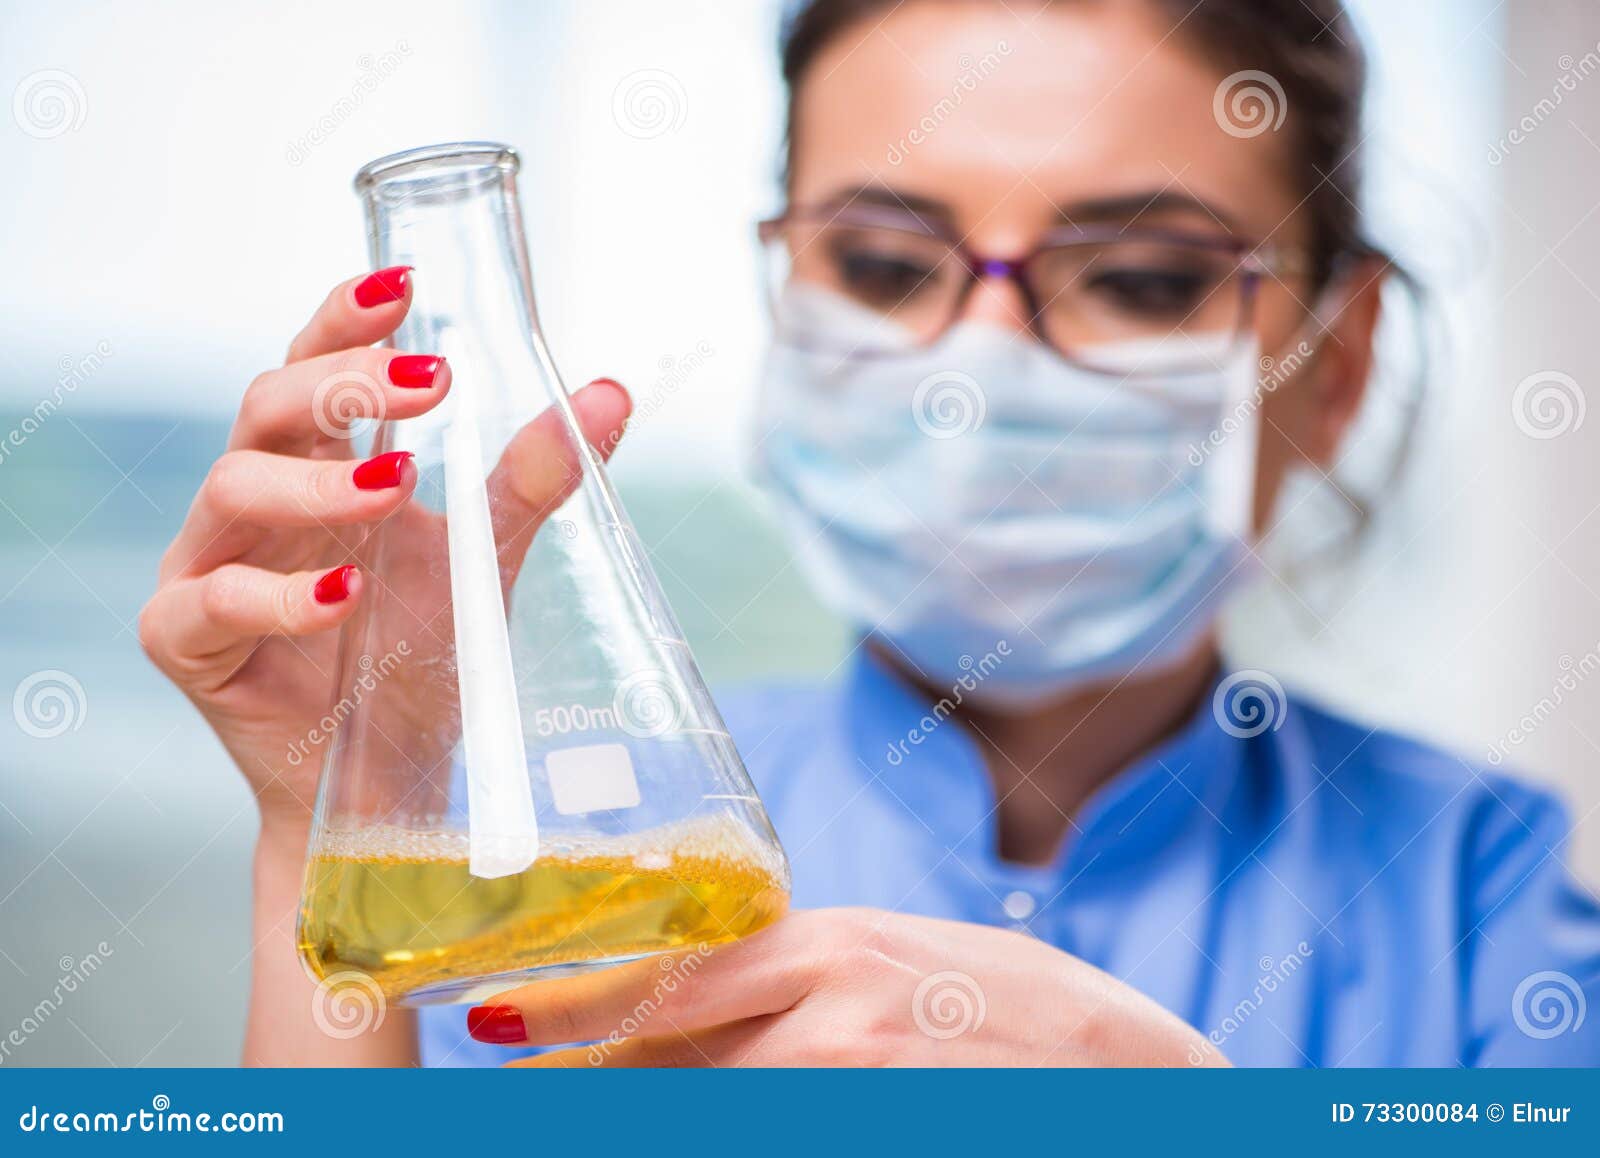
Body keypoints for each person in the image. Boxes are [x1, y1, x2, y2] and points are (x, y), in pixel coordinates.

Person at [141, 0, 1600, 1067]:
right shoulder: (570, 863)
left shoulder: (1483, 901)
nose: (978, 368)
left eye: (1144, 278)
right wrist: (329, 819)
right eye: (888, 262)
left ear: (1333, 370)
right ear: (789, 297)